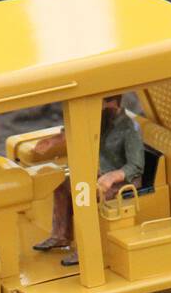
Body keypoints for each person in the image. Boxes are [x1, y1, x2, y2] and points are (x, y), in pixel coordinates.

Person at [29, 95, 145, 266]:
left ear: (115, 103)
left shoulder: (129, 129)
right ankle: (60, 235)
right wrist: (54, 141)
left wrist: (113, 176)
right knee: (63, 186)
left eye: (105, 103)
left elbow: (136, 165)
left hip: (124, 182)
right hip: (98, 174)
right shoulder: (100, 119)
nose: (102, 107)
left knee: (85, 195)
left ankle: (86, 249)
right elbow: (77, 128)